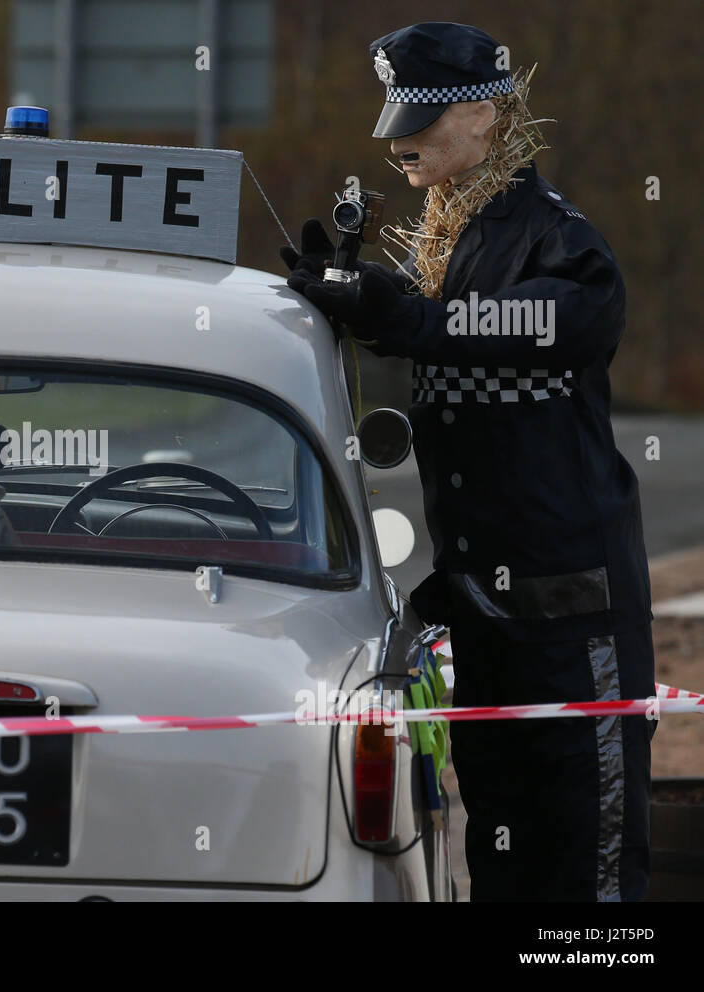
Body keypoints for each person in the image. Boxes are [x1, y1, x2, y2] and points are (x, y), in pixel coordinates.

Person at [283, 21, 655, 901]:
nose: (400, 141)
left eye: (423, 120)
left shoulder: (559, 241)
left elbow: (553, 324)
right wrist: (343, 299)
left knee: (591, 877)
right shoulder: (455, 238)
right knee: (505, 865)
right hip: (486, 619)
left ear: (487, 117)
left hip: (574, 627)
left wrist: (402, 318)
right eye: (394, 118)